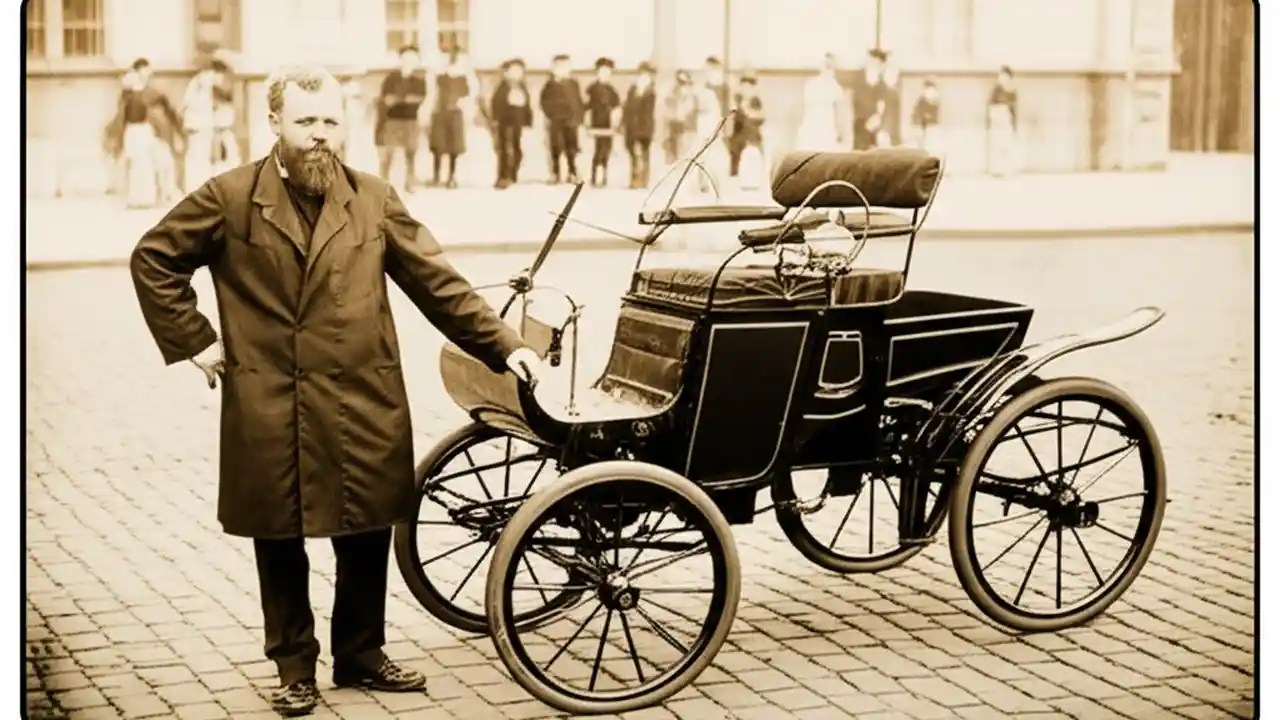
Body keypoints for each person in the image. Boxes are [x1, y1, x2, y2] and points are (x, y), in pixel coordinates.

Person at [128, 65, 543, 718]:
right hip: (273, 396)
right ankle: (294, 667)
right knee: (280, 533)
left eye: (329, 122)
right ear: (274, 123)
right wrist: (196, 340)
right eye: (305, 122)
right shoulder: (230, 197)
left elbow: (437, 282)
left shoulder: (373, 197)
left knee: (367, 525)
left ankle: (361, 652)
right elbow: (154, 257)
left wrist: (506, 344)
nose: (320, 136)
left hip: (361, 392)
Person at [105, 58, 185, 208]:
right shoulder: (128, 94)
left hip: (146, 130)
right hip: (134, 130)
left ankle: (150, 197)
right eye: (143, 71)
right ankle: (139, 198)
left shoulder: (152, 94)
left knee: (147, 163)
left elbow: (167, 111)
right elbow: (122, 115)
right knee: (138, 164)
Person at [376, 45, 428, 192]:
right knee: (388, 155)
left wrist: (399, 99)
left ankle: (409, 183)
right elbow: (386, 99)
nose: (409, 61)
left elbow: (418, 99)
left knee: (411, 153)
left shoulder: (419, 80)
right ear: (400, 60)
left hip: (411, 121)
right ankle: (382, 185)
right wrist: (405, 99)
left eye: (413, 59)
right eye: (406, 58)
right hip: (392, 121)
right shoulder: (391, 79)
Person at [428, 50, 473, 188]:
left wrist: (464, 106)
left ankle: (451, 177)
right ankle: (436, 176)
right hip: (440, 113)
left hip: (455, 115)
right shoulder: (439, 76)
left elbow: (468, 96)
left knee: (454, 147)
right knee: (438, 146)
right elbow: (433, 93)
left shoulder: (463, 78)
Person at [540, 53, 583, 184]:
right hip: (556, 121)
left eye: (566, 67)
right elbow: (544, 102)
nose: (564, 70)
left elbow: (578, 102)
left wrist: (579, 118)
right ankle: (555, 173)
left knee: (572, 148)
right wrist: (551, 114)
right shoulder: (549, 85)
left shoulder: (573, 84)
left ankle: (572, 172)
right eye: (560, 67)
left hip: (571, 122)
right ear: (553, 69)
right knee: (555, 147)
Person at [491, 58, 533, 189]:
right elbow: (496, 103)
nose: (516, 74)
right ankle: (503, 176)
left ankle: (513, 173)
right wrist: (496, 119)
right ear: (506, 73)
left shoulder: (523, 87)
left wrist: (528, 120)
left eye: (519, 71)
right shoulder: (503, 87)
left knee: (516, 149)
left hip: (518, 122)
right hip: (505, 122)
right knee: (505, 149)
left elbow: (527, 105)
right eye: (513, 71)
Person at [796, 52, 846, 151]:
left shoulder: (835, 87)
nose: (829, 68)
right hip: (812, 129)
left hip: (828, 131)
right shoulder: (811, 84)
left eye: (831, 66)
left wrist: (840, 132)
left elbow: (839, 113)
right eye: (826, 65)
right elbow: (804, 110)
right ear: (821, 66)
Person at [583, 57, 621, 188]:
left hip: (608, 125)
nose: (605, 74)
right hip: (596, 124)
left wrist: (615, 122)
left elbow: (617, 107)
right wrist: (587, 124)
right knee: (596, 150)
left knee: (606, 150)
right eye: (602, 71)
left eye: (608, 71)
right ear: (597, 72)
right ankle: (594, 177)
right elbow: (586, 107)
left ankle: (604, 176)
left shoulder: (612, 90)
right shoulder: (591, 89)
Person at [621, 62, 657, 189]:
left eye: (646, 75)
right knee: (633, 154)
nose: (643, 78)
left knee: (644, 154)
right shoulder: (632, 90)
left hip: (644, 128)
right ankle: (634, 179)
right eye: (641, 75)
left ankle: (643, 180)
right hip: (632, 128)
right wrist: (624, 123)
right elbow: (627, 109)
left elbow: (648, 112)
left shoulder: (651, 92)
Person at [728, 71, 765, 181]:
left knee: (752, 163)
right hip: (738, 138)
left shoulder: (756, 101)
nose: (746, 89)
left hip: (752, 138)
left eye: (749, 86)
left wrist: (746, 110)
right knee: (736, 161)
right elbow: (731, 119)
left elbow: (760, 117)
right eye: (744, 85)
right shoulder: (736, 101)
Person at [850, 48, 887, 150]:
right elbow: (855, 101)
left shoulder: (881, 83)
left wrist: (877, 117)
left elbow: (882, 102)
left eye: (878, 64)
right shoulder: (859, 78)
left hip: (874, 122)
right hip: (860, 121)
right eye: (872, 62)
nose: (874, 65)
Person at [987, 65, 1020, 176]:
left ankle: (1007, 169)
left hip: (1007, 122)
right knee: (996, 147)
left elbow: (1014, 110)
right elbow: (991, 107)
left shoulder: (1012, 91)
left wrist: (1014, 125)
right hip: (997, 122)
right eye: (1000, 76)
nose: (1002, 78)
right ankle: (996, 170)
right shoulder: (996, 90)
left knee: (1007, 147)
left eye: (1004, 76)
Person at [661, 70, 697, 165]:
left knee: (683, 144)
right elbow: (667, 104)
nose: (681, 84)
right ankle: (673, 161)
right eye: (679, 81)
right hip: (674, 120)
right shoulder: (672, 91)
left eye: (683, 81)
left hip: (684, 121)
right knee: (673, 143)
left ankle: (681, 161)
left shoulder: (689, 92)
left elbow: (690, 107)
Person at [911, 77, 942, 155]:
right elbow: (917, 118)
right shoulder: (921, 102)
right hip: (923, 129)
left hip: (930, 128)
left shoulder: (934, 102)